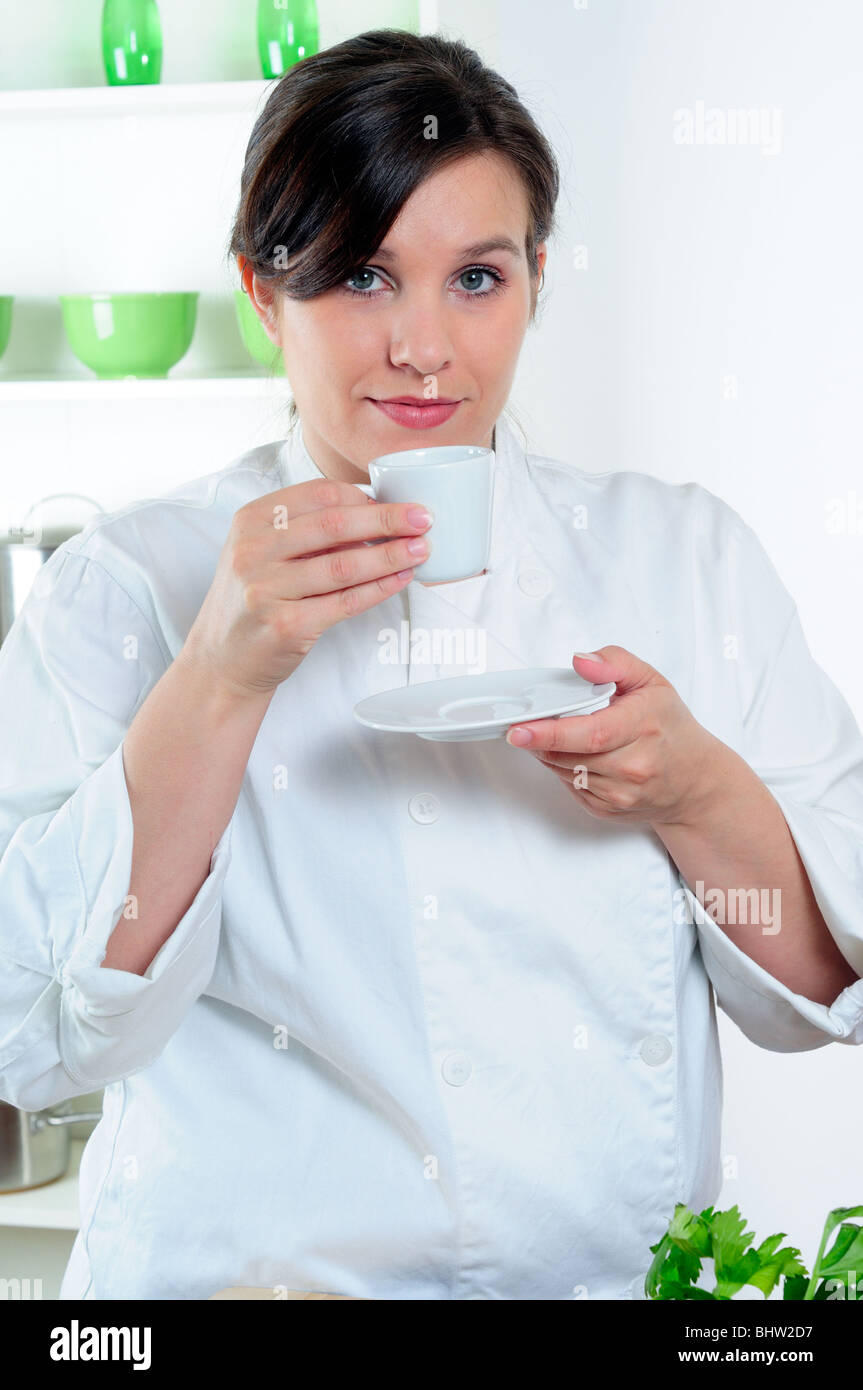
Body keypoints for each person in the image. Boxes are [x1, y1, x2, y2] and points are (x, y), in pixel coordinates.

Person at [1, 28, 862, 1302]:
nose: (423, 348)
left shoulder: (682, 559)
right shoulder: (128, 585)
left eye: (475, 277)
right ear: (258, 292)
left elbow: (821, 989)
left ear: (536, 280)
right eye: (360, 275)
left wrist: (695, 795)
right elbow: (30, 1034)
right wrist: (219, 680)